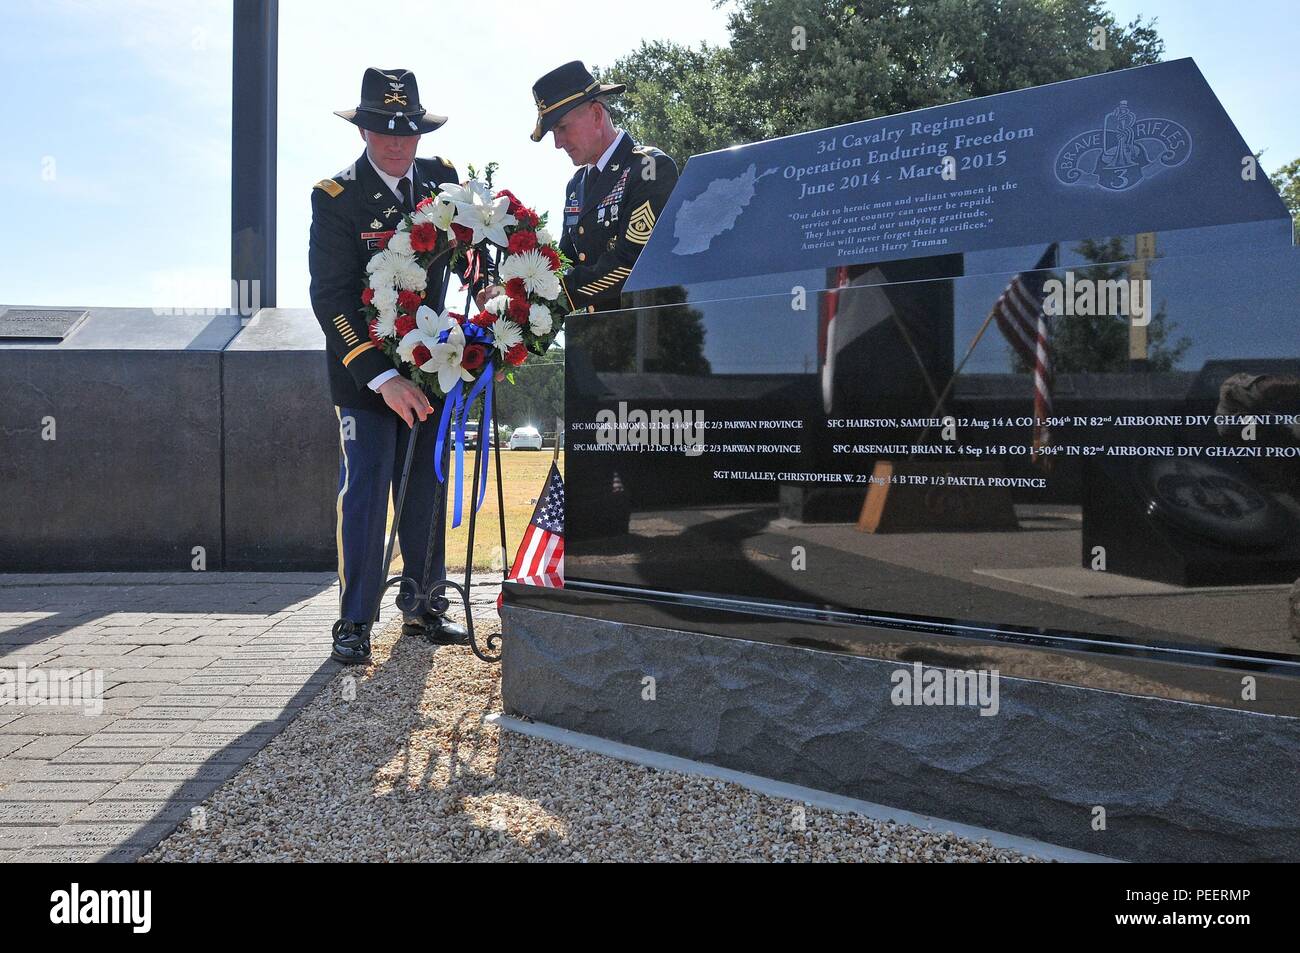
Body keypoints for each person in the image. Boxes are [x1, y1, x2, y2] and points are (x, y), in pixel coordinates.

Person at [309, 67, 495, 664]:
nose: (396, 142)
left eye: (407, 131)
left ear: (420, 133)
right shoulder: (335, 198)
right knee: (364, 490)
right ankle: (354, 621)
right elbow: (331, 297)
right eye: (383, 130)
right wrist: (381, 377)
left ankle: (423, 605)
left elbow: (467, 251)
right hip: (366, 374)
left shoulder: (441, 183)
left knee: (425, 491)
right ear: (363, 130)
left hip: (431, 364)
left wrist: (486, 284)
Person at [530, 60, 678, 313]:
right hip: (594, 339)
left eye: (562, 128)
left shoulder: (648, 167)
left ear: (597, 115)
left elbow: (632, 261)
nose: (558, 143)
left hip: (646, 337)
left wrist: (557, 299)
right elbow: (567, 258)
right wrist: (524, 292)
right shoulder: (576, 185)